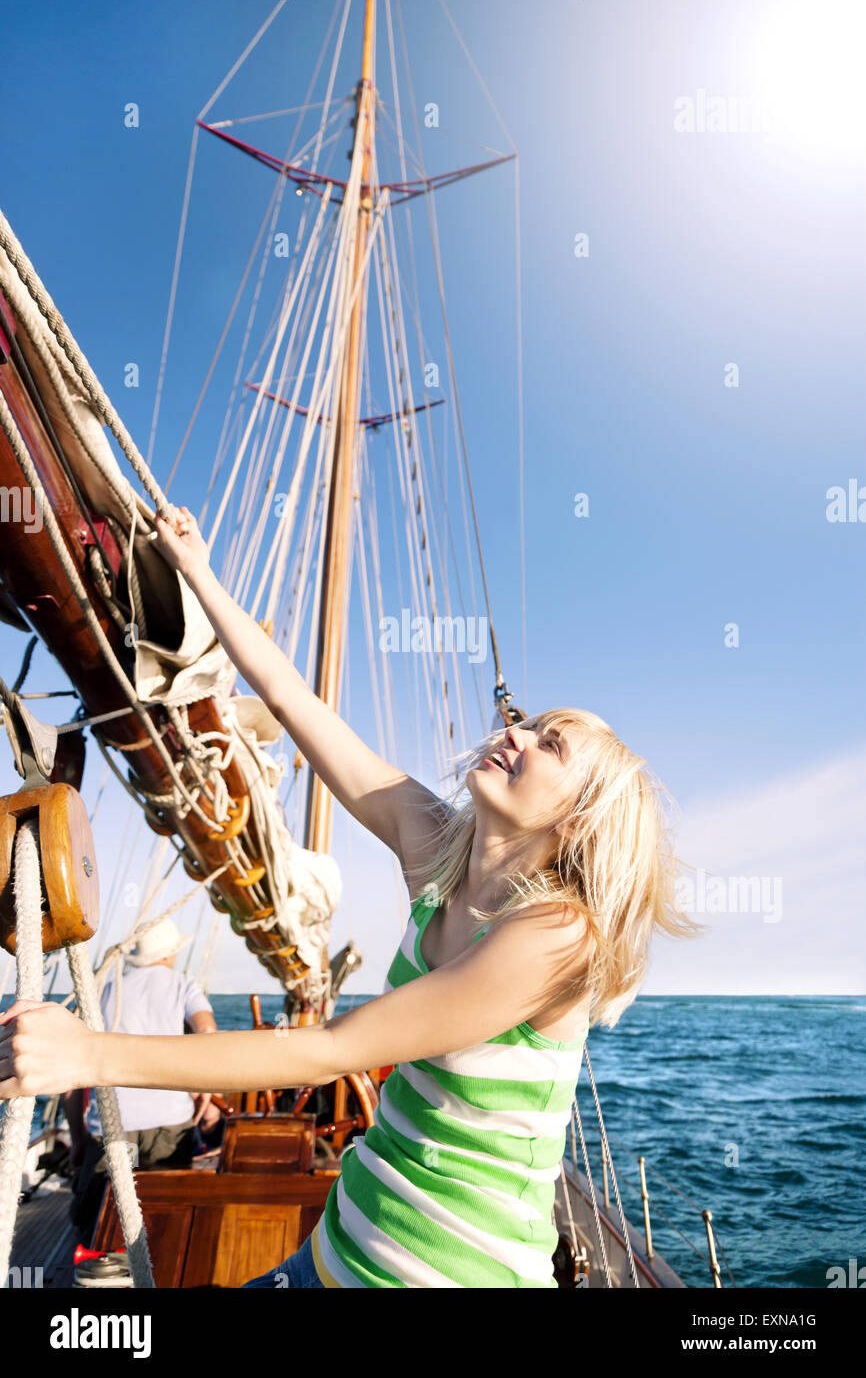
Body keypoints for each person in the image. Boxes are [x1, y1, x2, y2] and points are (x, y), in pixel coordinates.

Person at [0, 505, 704, 1287]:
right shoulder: (437, 848)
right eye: (528, 722)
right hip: (336, 1253)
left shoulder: (558, 933)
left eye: (551, 744)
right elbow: (294, 701)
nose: (517, 734)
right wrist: (199, 575)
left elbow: (334, 1048)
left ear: (581, 822)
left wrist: (89, 1054)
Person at [62, 917, 219, 1243]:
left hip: (111, 1126)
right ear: (170, 953)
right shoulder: (183, 985)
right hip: (169, 1125)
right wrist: (202, 1085)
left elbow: (71, 1079)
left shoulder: (104, 991)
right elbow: (207, 1032)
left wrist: (78, 1141)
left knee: (96, 1219)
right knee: (165, 1210)